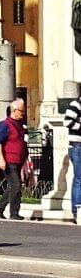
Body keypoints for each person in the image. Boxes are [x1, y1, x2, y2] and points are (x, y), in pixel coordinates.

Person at [0, 97, 29, 220]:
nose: (23, 114)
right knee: (16, 185)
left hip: (19, 159)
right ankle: (14, 212)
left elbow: (23, 142)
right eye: (21, 111)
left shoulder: (21, 125)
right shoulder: (5, 125)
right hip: (8, 159)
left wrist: (26, 159)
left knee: (13, 186)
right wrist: (1, 159)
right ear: (14, 111)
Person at [64, 88, 81, 223]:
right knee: (79, 178)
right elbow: (67, 122)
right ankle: (76, 211)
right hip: (77, 146)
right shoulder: (76, 105)